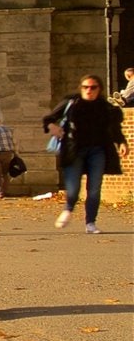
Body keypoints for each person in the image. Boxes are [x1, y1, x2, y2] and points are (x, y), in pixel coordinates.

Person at [43, 75, 127, 234]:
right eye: (85, 87)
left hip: (98, 150)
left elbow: (114, 129)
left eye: (93, 87)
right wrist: (52, 126)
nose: (89, 90)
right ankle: (68, 208)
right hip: (74, 150)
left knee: (94, 188)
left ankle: (90, 222)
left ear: (99, 89)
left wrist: (121, 143)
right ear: (80, 88)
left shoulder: (106, 107)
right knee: (73, 187)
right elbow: (49, 118)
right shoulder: (71, 103)